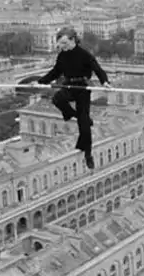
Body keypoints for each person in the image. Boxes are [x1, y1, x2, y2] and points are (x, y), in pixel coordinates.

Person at [38, 27, 111, 169]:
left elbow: (97, 69)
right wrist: (40, 81)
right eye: (60, 44)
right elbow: (55, 72)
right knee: (57, 99)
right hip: (69, 86)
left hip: (83, 88)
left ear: (73, 40)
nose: (62, 47)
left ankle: (88, 154)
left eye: (64, 43)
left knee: (84, 127)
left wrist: (105, 82)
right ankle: (74, 115)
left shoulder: (84, 55)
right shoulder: (62, 56)